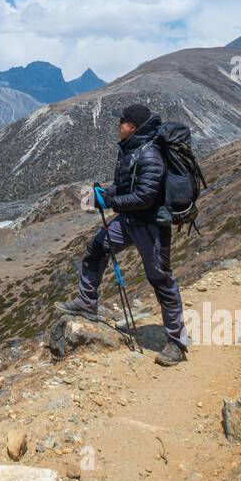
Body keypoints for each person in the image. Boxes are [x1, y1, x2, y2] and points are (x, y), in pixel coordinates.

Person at [56, 103, 190, 367]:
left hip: (150, 226)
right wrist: (103, 194)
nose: (119, 125)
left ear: (134, 126)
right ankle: (86, 302)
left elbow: (145, 196)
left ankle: (177, 342)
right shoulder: (131, 150)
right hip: (130, 221)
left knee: (160, 279)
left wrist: (111, 202)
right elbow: (125, 184)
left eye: (123, 121)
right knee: (97, 248)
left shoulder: (149, 154)